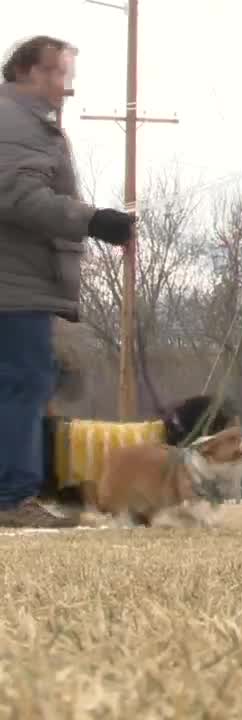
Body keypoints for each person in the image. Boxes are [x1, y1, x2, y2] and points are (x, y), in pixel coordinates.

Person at [0, 36, 134, 527]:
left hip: (19, 282)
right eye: (59, 75)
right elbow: (15, 195)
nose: (67, 88)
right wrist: (93, 220)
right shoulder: (14, 121)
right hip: (13, 284)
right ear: (28, 72)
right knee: (22, 383)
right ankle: (12, 497)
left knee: (31, 381)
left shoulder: (28, 123)